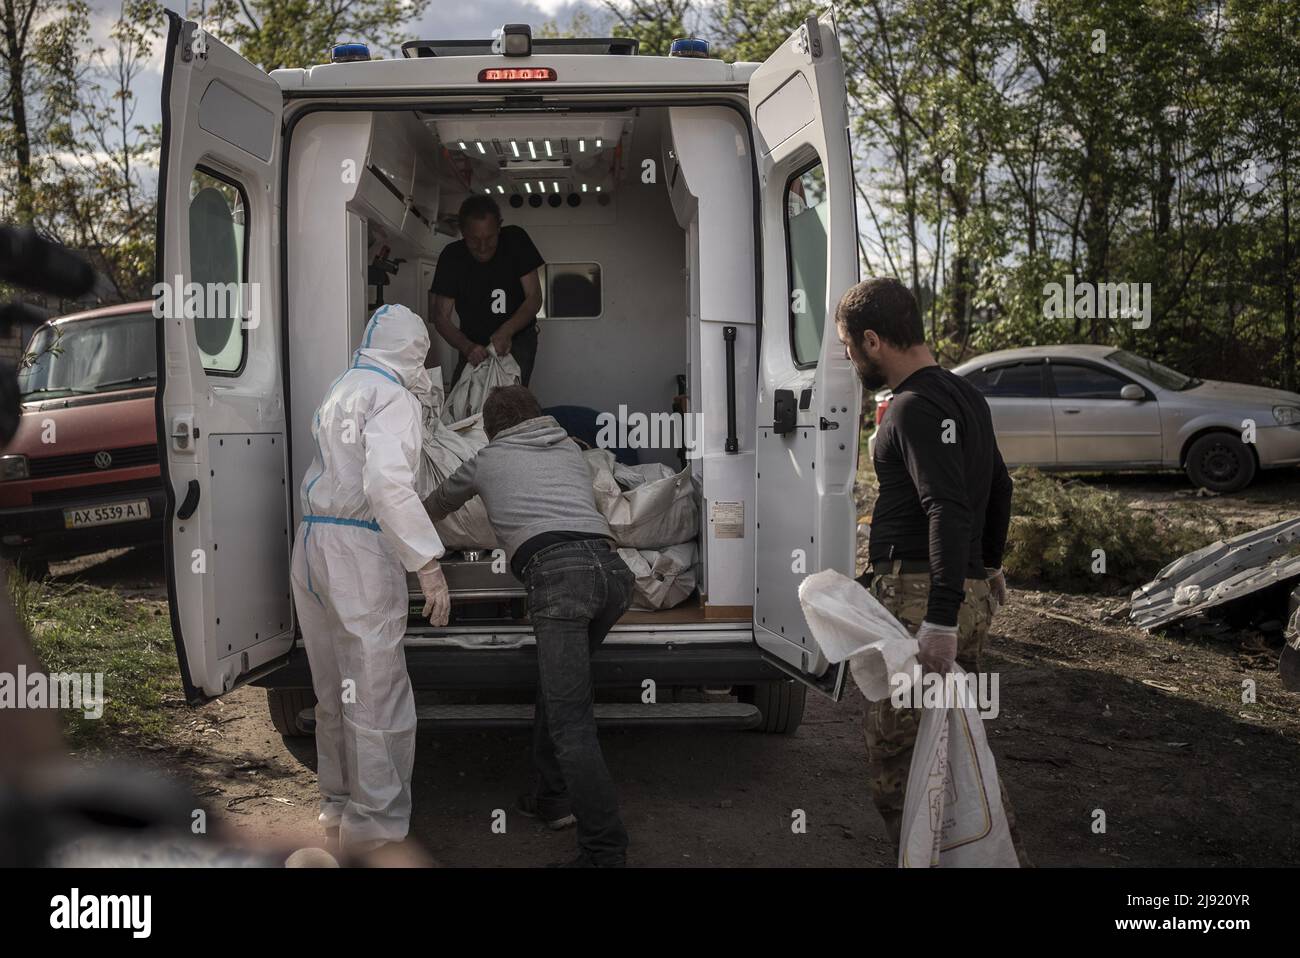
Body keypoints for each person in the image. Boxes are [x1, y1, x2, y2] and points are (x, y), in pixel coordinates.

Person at [834, 277, 1030, 866]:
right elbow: (1000, 484)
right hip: (959, 591)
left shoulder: (914, 407)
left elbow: (944, 504)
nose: (848, 358)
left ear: (873, 340)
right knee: (953, 749)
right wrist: (986, 566)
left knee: (900, 759)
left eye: (848, 346)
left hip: (924, 597)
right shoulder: (965, 395)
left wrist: (939, 617)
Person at [426, 385, 634, 867]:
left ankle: (604, 851)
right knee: (560, 691)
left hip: (560, 581)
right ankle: (551, 797)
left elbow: (434, 505)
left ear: (492, 428)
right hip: (613, 576)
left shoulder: (486, 459)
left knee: (572, 723)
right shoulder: (569, 449)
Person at [290, 303, 451, 854]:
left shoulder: (343, 385)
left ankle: (336, 807)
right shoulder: (395, 397)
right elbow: (388, 488)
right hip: (358, 550)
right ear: (414, 353)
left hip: (312, 543)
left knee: (333, 689)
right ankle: (375, 832)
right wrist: (427, 565)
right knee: (375, 692)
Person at [429, 195, 544, 387]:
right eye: (474, 240)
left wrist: (507, 330)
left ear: (499, 227)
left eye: (490, 238)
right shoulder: (452, 257)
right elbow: (440, 317)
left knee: (510, 401)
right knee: (461, 401)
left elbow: (534, 298)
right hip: (472, 345)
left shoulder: (516, 240)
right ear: (463, 232)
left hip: (518, 339)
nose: (482, 248)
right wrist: (467, 347)